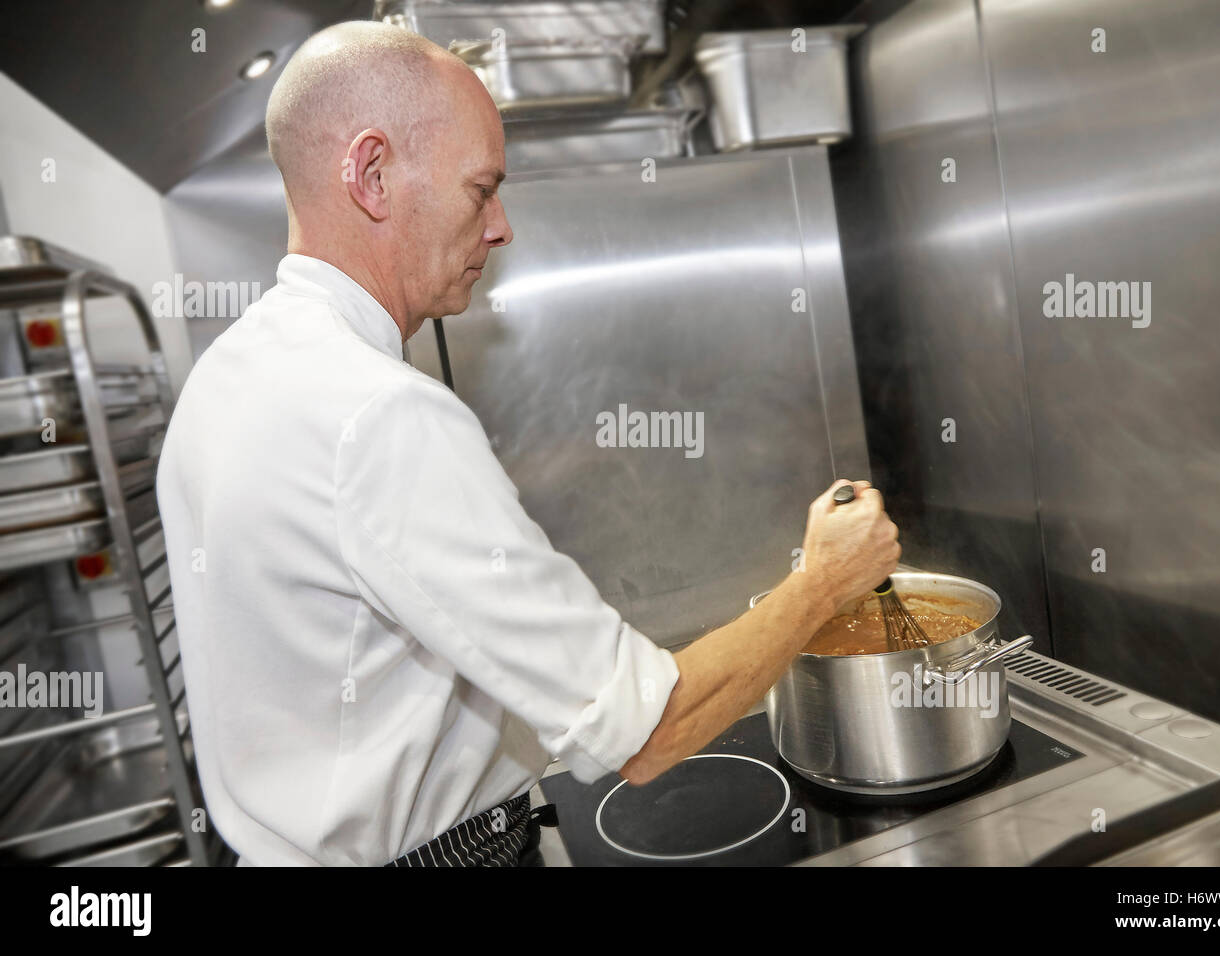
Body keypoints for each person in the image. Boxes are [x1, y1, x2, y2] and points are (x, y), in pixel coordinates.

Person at [156, 20, 900, 866]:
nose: (501, 226)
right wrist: (822, 583)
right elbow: (646, 731)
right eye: (482, 189)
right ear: (370, 175)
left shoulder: (225, 379)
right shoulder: (379, 416)